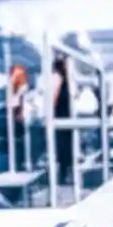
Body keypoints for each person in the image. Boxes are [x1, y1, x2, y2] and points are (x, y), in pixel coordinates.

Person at [51, 57, 74, 186]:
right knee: (63, 149)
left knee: (66, 149)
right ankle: (62, 177)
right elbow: (53, 98)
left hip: (64, 118)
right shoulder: (58, 77)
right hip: (60, 118)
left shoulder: (64, 79)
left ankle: (64, 176)